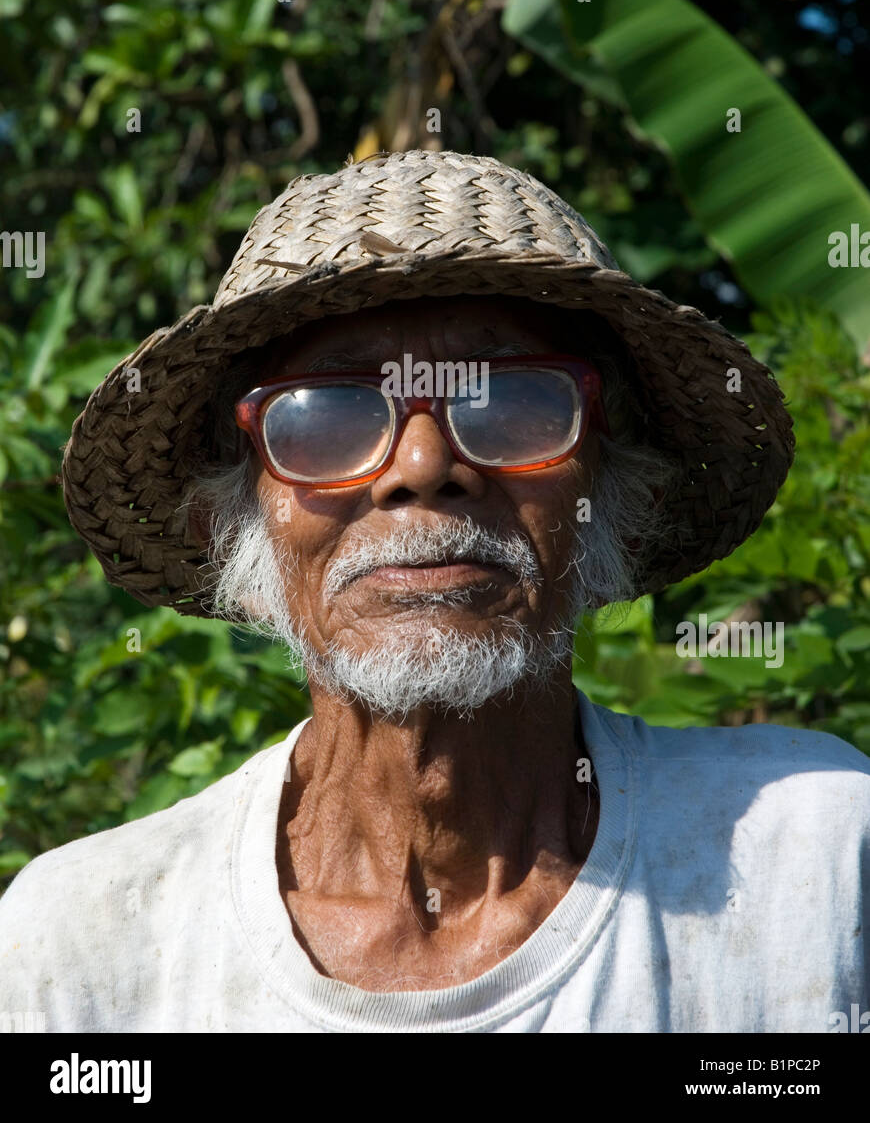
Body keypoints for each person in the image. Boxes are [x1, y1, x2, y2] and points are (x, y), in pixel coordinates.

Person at [1, 149, 867, 1033]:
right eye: (327, 414)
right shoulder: (87, 946)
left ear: (619, 506)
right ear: (228, 532)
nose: (422, 467)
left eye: (508, 400)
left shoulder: (818, 862)